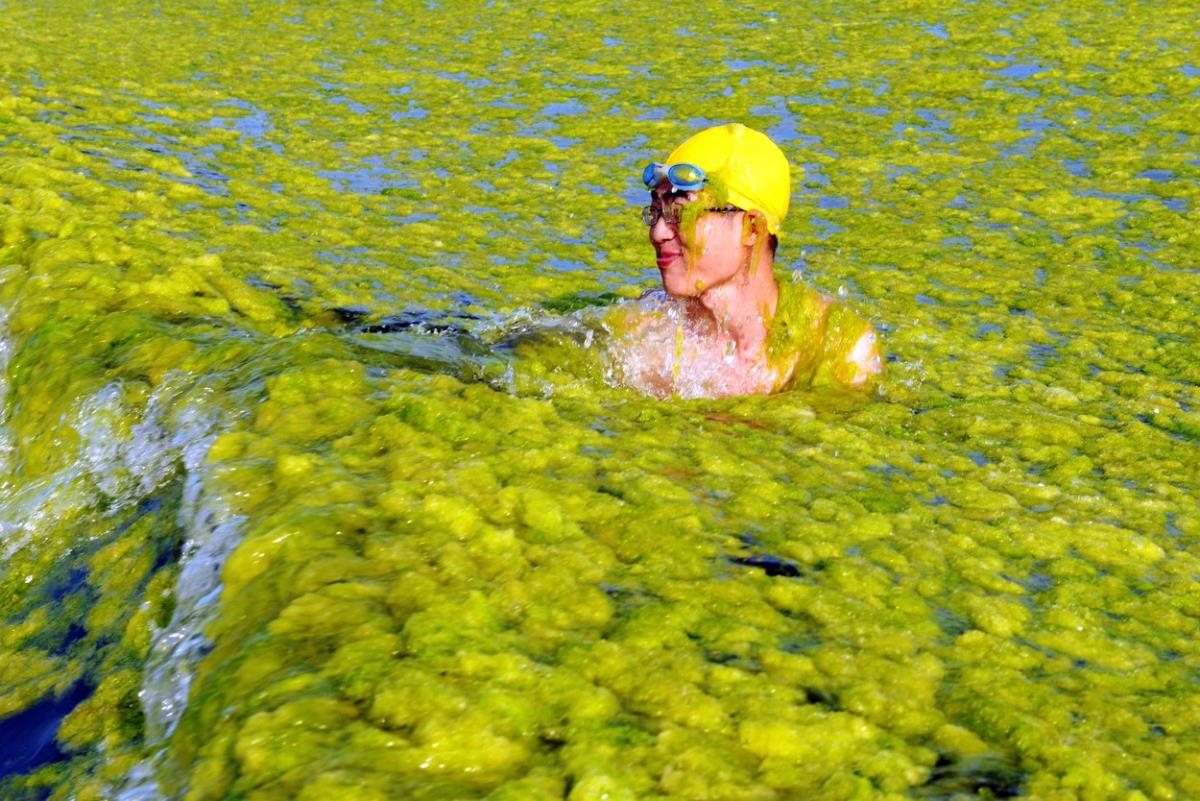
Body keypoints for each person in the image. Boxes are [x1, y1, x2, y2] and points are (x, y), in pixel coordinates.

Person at [606, 123, 881, 399]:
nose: (658, 233)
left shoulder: (835, 349)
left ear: (752, 229)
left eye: (680, 213)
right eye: (656, 212)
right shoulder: (644, 337)